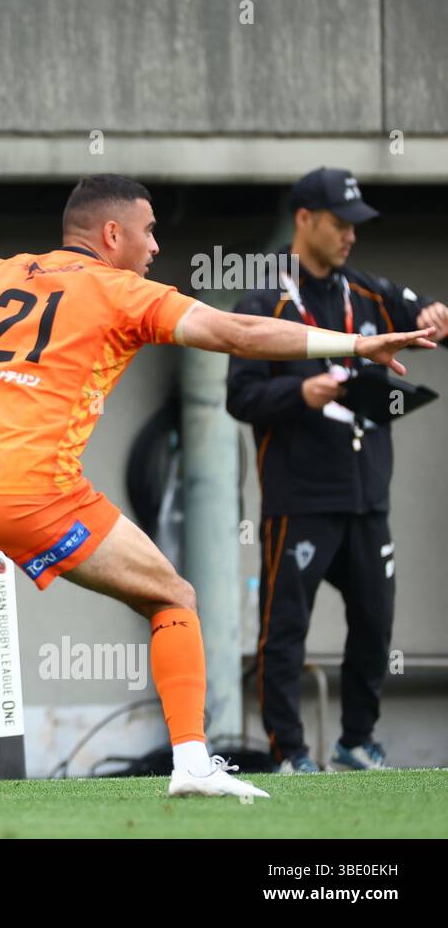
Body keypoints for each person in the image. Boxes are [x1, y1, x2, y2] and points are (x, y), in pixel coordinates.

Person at [0, 173, 433, 803]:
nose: (156, 247)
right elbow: (236, 333)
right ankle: (193, 762)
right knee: (173, 596)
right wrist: (357, 342)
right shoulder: (125, 292)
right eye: (149, 232)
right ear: (112, 234)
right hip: (35, 492)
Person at [226, 168, 448, 773]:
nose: (350, 235)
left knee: (375, 623)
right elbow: (239, 399)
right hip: (298, 499)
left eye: (356, 224)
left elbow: (427, 324)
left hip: (367, 497)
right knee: (285, 633)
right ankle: (289, 754)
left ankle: (357, 741)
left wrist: (435, 316)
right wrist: (303, 396)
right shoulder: (261, 300)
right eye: (339, 222)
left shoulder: (371, 291)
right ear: (304, 220)